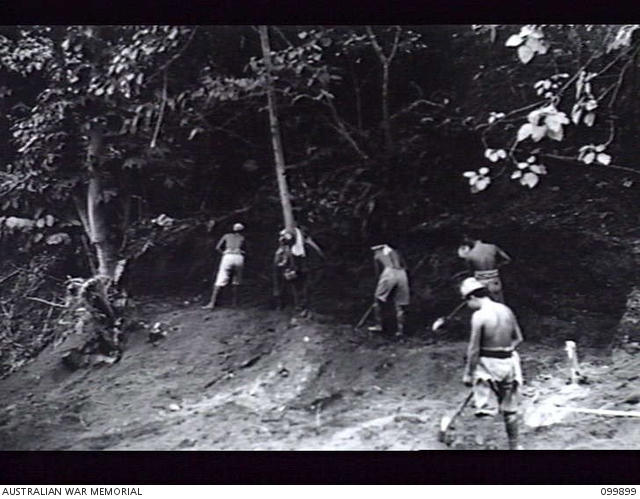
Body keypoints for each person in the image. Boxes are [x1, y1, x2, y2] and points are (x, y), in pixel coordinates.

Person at [460, 277, 524, 450]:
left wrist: (468, 373)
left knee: (485, 409)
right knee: (510, 408)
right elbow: (518, 338)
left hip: (487, 364)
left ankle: (483, 447)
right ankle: (515, 446)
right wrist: (505, 349)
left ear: (472, 297)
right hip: (509, 362)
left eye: (467, 301)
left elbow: (473, 349)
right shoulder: (506, 310)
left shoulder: (479, 316)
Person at [368, 244, 410, 336]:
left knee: (378, 299)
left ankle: (379, 325)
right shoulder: (396, 252)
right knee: (400, 304)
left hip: (389, 272)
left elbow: (377, 272)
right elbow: (405, 267)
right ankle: (400, 331)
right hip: (402, 273)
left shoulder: (377, 254)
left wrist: (381, 282)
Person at [203, 223, 246, 310]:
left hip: (228, 256)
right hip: (239, 257)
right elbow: (246, 250)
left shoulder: (227, 236)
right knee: (237, 280)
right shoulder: (242, 238)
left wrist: (223, 253)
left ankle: (212, 303)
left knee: (220, 280)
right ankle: (236, 304)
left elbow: (218, 247)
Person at [458, 235, 512, 303]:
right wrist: (498, 266)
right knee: (500, 302)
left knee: (486, 303)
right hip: (494, 278)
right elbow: (508, 259)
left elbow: (471, 272)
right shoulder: (492, 247)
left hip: (481, 281)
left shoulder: (470, 255)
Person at [273, 230, 306, 310]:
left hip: (288, 270)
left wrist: (289, 267)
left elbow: (290, 260)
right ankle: (280, 305)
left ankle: (297, 305)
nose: (281, 240)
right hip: (280, 270)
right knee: (280, 287)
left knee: (294, 287)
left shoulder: (290, 250)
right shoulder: (281, 250)